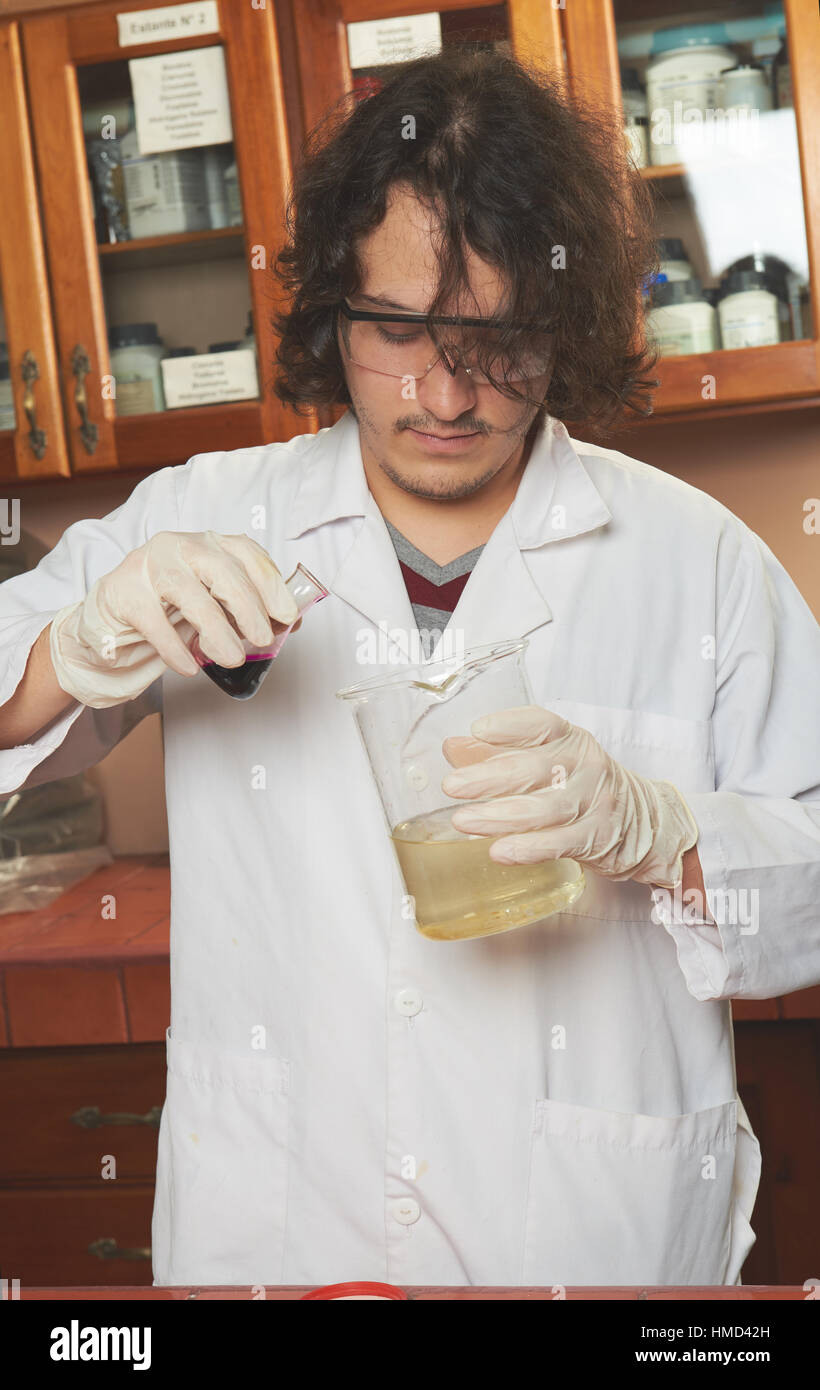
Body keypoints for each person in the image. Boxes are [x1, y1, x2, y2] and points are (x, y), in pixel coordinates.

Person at [1, 45, 819, 1290]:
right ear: (335, 308)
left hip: (593, 1234)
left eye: (495, 339)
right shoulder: (199, 517)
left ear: (567, 321)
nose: (443, 390)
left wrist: (661, 830)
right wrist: (81, 640)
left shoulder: (693, 558)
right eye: (394, 329)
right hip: (285, 1219)